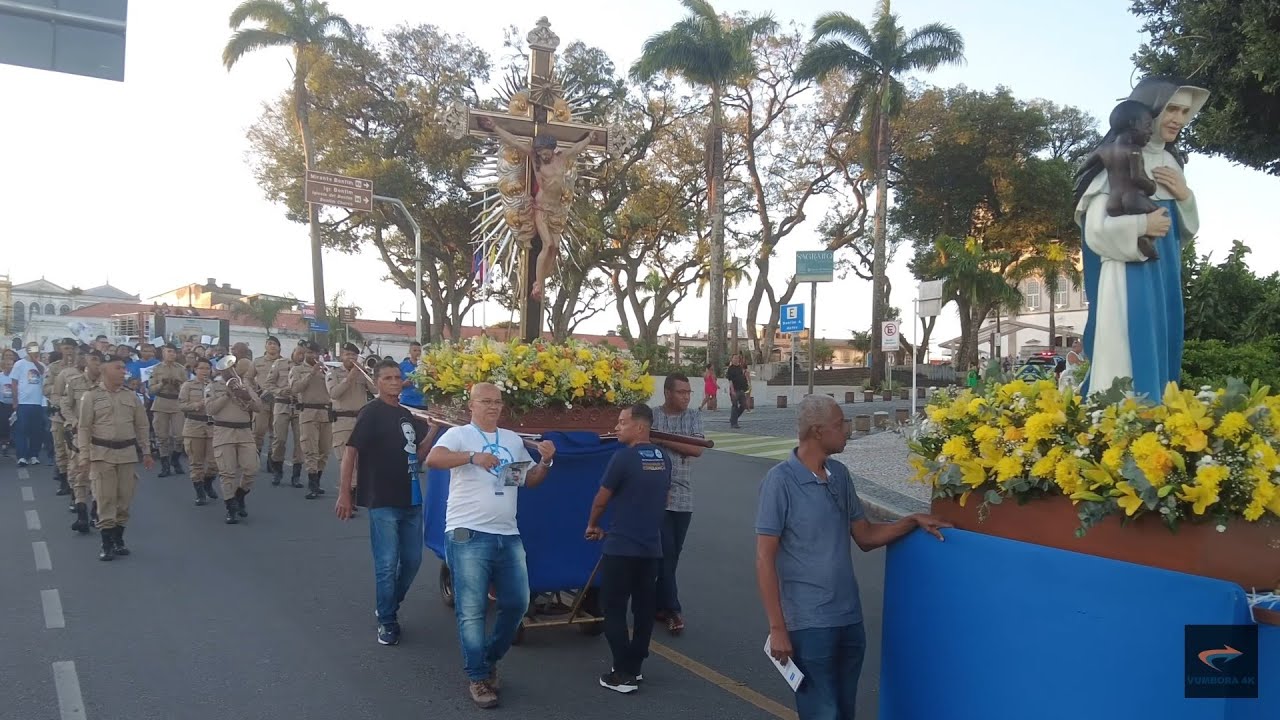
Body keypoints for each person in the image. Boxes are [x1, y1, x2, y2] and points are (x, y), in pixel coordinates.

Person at [755, 394, 950, 720]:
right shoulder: (779, 482)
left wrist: (912, 520)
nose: (845, 429)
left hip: (848, 619)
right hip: (808, 625)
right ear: (818, 432)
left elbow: (865, 536)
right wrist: (777, 627)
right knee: (824, 713)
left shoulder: (840, 476)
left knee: (844, 712)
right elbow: (764, 558)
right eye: (839, 424)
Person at [1074, 76, 1208, 399]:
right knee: (1126, 354)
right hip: (1127, 278)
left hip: (1164, 278)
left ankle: (1157, 430)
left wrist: (1185, 197)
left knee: (1164, 344)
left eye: (1184, 112)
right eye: (1172, 109)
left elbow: (1183, 231)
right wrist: (1140, 227)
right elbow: (1095, 230)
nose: (1178, 119)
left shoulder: (1173, 164)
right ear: (1150, 111)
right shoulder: (1117, 159)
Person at [425, 382, 557, 709]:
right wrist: (472, 457)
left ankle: (488, 660)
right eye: (486, 401)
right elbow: (433, 459)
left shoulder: (511, 440)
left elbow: (527, 480)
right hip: (467, 532)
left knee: (516, 604)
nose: (493, 407)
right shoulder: (460, 434)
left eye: (497, 402)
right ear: (472, 405)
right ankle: (478, 677)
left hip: (507, 533)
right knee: (471, 611)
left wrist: (545, 464)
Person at [335, 359, 432, 646]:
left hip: (412, 499)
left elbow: (421, 453)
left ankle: (389, 603)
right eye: (387, 377)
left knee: (413, 561)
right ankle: (387, 620)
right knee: (387, 564)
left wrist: (436, 428)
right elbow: (351, 452)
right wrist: (345, 492)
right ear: (377, 382)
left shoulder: (407, 415)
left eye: (397, 377)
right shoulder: (371, 413)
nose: (393, 382)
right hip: (383, 499)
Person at [586, 403, 672, 694]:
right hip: (651, 549)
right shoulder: (664, 458)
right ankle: (634, 668)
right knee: (645, 610)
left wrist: (593, 524)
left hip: (621, 548)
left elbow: (601, 498)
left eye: (622, 422)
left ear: (639, 426)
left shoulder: (622, 459)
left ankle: (622, 672)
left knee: (613, 608)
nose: (617, 427)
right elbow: (664, 495)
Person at [477, 116, 598, 302]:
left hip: (556, 210)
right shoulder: (535, 160)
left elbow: (577, 148)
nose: (543, 155)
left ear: (552, 149)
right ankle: (538, 284)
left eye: (546, 152)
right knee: (547, 244)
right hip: (541, 209)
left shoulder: (562, 158)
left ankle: (542, 280)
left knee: (555, 248)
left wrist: (589, 138)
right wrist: (494, 127)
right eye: (540, 152)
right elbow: (514, 141)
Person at [77, 356, 154, 561]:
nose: (123, 371)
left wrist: (146, 452)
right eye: (118, 368)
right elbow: (84, 428)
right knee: (105, 499)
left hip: (127, 454)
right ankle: (106, 543)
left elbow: (142, 426)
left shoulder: (131, 396)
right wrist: (84, 456)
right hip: (102, 455)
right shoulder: (91, 396)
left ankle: (119, 538)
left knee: (124, 500)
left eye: (123, 368)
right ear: (104, 370)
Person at [649, 374, 705, 635]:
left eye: (688, 392)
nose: (686, 396)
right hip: (656, 494)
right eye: (681, 392)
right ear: (667, 392)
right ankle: (672, 608)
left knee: (672, 555)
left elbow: (696, 449)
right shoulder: (652, 416)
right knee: (666, 553)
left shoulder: (693, 416)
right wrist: (677, 442)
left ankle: (658, 605)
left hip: (683, 496)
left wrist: (661, 440)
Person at [208, 356, 265, 524]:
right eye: (225, 369)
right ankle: (230, 507)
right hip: (223, 431)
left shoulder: (244, 385)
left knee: (252, 469)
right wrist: (227, 395)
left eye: (231, 368)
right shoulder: (213, 387)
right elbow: (210, 409)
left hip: (244, 431)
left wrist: (246, 396)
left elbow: (259, 407)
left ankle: (240, 495)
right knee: (227, 472)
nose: (229, 371)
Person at [328, 342, 376, 515]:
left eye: (354, 356)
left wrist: (368, 374)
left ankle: (355, 493)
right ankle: (349, 494)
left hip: (361, 420)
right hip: (342, 421)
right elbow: (334, 394)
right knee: (345, 460)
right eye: (348, 355)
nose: (351, 358)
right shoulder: (334, 373)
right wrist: (350, 378)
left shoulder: (363, 373)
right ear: (342, 356)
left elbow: (376, 389)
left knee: (361, 461)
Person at [63, 349, 103, 533]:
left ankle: (96, 511)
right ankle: (81, 514)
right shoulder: (74, 382)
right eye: (93, 359)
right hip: (81, 435)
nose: (97, 363)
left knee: (99, 476)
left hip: (102, 437)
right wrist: (72, 421)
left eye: (99, 360)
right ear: (86, 361)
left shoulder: (107, 384)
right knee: (80, 474)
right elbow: (65, 404)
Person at [290, 340, 334, 499]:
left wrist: (328, 372)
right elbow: (295, 389)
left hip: (325, 412)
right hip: (308, 411)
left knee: (324, 450)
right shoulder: (297, 369)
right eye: (309, 353)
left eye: (315, 353)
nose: (312, 356)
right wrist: (311, 373)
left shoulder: (327, 369)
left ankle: (318, 480)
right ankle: (312, 484)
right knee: (310, 450)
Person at [178, 358, 218, 506]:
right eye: (201, 368)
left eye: (207, 368)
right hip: (194, 425)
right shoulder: (188, 385)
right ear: (195, 370)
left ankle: (208, 482)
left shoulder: (214, 386)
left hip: (211, 425)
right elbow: (181, 405)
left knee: (214, 462)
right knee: (196, 462)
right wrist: (197, 405)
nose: (205, 371)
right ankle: (200, 492)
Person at [265, 344, 305, 487]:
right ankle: (277, 470)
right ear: (293, 352)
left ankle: (296, 475)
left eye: (304, 354)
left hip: (300, 407)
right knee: (279, 439)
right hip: (282, 404)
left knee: (300, 442)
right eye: (299, 353)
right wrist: (280, 391)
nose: (301, 356)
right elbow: (268, 384)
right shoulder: (280, 364)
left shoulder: (307, 368)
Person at [45, 338, 79, 496]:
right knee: (61, 450)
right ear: (61, 350)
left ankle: (77, 484)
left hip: (77, 413)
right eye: (66, 348)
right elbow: (45, 389)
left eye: (72, 348)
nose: (69, 352)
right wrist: (65, 388)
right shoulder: (54, 367)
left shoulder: (81, 367)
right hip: (59, 414)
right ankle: (64, 480)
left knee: (75, 451)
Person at [149, 345, 188, 478]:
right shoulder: (156, 369)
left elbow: (186, 388)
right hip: (161, 402)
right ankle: (165, 465)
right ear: (163, 353)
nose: (172, 354)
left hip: (176, 403)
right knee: (162, 436)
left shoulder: (181, 369)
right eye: (169, 352)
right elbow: (151, 389)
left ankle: (175, 459)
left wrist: (178, 385)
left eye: (174, 352)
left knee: (179, 436)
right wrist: (162, 384)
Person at [10, 342, 47, 466]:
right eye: (31, 349)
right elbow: (14, 383)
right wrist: (15, 401)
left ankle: (34, 455)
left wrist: (35, 360)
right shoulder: (19, 364)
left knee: (37, 431)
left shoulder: (41, 365)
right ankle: (21, 456)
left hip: (38, 403)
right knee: (22, 430)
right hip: (23, 402)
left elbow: (42, 372)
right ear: (27, 350)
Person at [252, 336, 283, 459]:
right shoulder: (257, 362)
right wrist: (253, 390)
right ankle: (256, 455)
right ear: (265, 346)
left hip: (278, 400)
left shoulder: (284, 362)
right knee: (259, 431)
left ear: (279, 347)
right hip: (262, 400)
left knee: (276, 433)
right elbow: (248, 377)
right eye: (269, 343)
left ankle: (272, 458)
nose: (272, 346)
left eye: (275, 344)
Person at [399, 341, 425, 409]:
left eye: (419, 351)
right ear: (410, 351)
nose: (417, 353)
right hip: (406, 401)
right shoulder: (402, 366)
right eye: (415, 350)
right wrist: (403, 384)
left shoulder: (426, 365)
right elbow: (395, 383)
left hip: (423, 402)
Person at [726, 354, 749, 429]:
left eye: (737, 358)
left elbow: (742, 378)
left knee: (743, 405)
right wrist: (732, 390)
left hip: (741, 389)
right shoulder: (730, 369)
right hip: (735, 389)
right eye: (735, 358)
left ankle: (733, 418)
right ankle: (734, 423)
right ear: (732, 359)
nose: (736, 359)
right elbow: (730, 380)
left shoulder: (740, 368)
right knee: (735, 406)